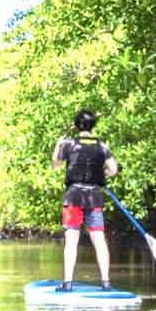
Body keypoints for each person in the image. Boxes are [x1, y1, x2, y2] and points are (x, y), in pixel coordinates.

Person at [51, 109, 119, 291]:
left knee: (71, 239)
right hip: (94, 196)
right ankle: (106, 282)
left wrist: (58, 145)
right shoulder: (102, 145)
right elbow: (113, 170)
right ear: (92, 126)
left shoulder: (69, 144)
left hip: (73, 197)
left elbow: (56, 164)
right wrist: (100, 175)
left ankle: (67, 283)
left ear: (77, 126)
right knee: (99, 238)